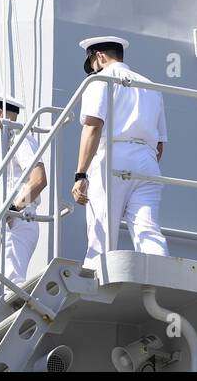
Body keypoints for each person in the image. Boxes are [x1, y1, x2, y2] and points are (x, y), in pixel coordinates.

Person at [71, 35, 169, 273]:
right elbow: (160, 145)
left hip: (113, 155)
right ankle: (162, 275)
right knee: (147, 229)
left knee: (102, 228)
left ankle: (95, 281)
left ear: (99, 56)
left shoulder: (99, 80)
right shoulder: (150, 86)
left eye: (93, 63)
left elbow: (93, 126)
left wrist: (80, 174)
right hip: (147, 161)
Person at [0, 94, 46, 295]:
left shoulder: (21, 140)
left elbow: (39, 180)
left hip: (16, 221)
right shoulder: (2, 146)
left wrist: (12, 210)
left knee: (11, 288)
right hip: (3, 223)